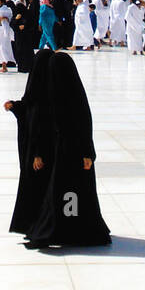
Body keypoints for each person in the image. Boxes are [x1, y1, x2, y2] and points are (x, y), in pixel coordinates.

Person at [24, 53, 111, 249]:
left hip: (77, 154)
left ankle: (74, 229)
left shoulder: (74, 96)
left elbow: (84, 124)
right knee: (65, 193)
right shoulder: (53, 95)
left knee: (73, 193)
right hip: (63, 152)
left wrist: (88, 154)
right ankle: (64, 228)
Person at [4, 49, 55, 236]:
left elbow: (44, 128)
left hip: (39, 156)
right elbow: (28, 110)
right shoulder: (38, 91)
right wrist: (15, 107)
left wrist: (38, 153)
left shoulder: (49, 97)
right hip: (34, 154)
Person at [0, 1, 16, 72]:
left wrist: (3, 18)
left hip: (3, 30)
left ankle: (5, 65)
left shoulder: (6, 9)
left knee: (3, 48)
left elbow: (9, 18)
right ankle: (3, 65)